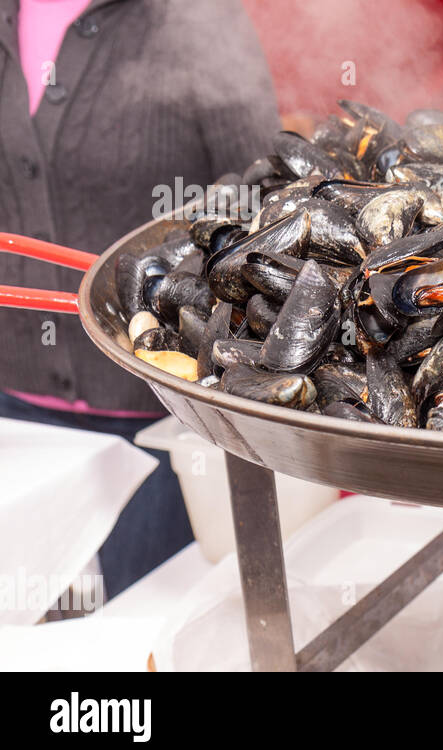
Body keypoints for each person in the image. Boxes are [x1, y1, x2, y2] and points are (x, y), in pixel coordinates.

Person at [0, 0, 280, 596]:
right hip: (14, 414)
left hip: (165, 418)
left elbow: (264, 205)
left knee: (154, 627)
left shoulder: (197, 17)